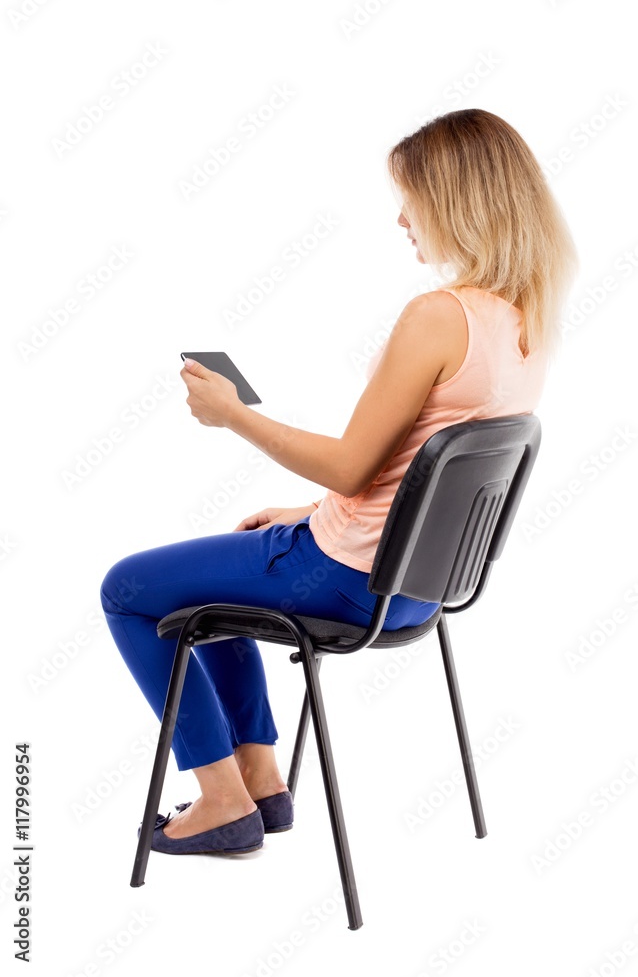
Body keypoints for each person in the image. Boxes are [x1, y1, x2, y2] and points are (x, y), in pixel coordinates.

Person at [100, 108, 578, 856]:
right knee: (212, 582)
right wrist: (316, 510)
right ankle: (262, 782)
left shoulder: (437, 316)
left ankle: (223, 798)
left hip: (347, 578)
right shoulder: (527, 322)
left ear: (458, 199)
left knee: (127, 589)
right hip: (417, 585)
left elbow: (356, 464)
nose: (401, 218)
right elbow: (415, 471)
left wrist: (232, 415)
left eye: (412, 198)